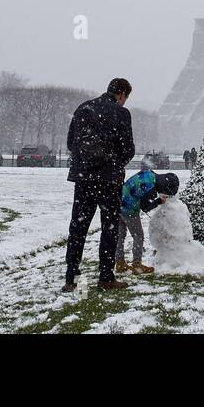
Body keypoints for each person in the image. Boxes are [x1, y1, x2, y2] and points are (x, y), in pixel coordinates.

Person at [63, 77, 135, 292]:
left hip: (84, 179)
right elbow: (128, 149)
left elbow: (70, 143)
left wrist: (87, 164)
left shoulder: (84, 108)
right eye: (125, 97)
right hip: (109, 180)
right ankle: (105, 276)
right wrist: (114, 164)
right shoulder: (121, 114)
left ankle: (71, 277)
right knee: (109, 228)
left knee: (78, 227)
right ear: (121, 94)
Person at [116, 170, 179, 273]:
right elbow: (145, 207)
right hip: (129, 209)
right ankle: (137, 264)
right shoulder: (151, 188)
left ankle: (119, 263)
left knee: (120, 235)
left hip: (119, 202)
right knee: (138, 235)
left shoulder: (150, 174)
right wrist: (159, 201)